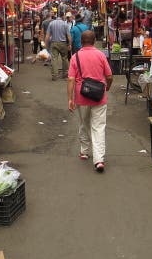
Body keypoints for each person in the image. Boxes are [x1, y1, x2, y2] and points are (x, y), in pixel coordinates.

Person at [67, 30, 113, 172]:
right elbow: (109, 76)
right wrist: (107, 87)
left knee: (84, 123)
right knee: (98, 127)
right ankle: (99, 160)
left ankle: (84, 151)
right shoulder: (100, 55)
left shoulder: (75, 57)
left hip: (82, 96)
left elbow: (71, 79)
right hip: (99, 96)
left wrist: (70, 99)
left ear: (81, 41)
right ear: (94, 41)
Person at [45, 12, 71, 80]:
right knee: (64, 58)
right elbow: (69, 36)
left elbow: (47, 35)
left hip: (54, 43)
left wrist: (46, 44)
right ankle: (65, 74)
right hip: (63, 43)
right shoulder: (65, 24)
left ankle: (54, 75)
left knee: (54, 59)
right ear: (62, 16)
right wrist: (70, 44)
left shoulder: (51, 23)